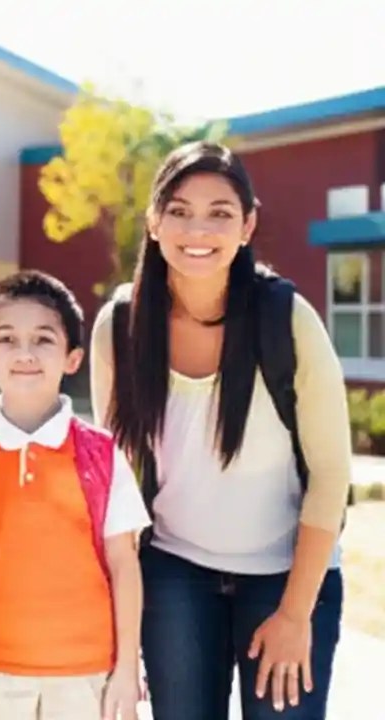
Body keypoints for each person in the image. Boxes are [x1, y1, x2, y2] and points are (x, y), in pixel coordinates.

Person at [90, 141, 353, 719]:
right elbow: (112, 479)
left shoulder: (286, 318)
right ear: (154, 223)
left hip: (287, 576)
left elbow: (332, 476)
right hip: (176, 573)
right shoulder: (120, 327)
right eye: (179, 210)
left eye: (220, 212)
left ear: (247, 224)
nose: (197, 229)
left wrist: (294, 614)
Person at [0, 270, 150, 720]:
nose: (25, 354)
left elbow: (125, 565)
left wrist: (126, 667)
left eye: (43, 339)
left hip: (88, 676)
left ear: (73, 358)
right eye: (7, 339)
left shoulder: (102, 453)